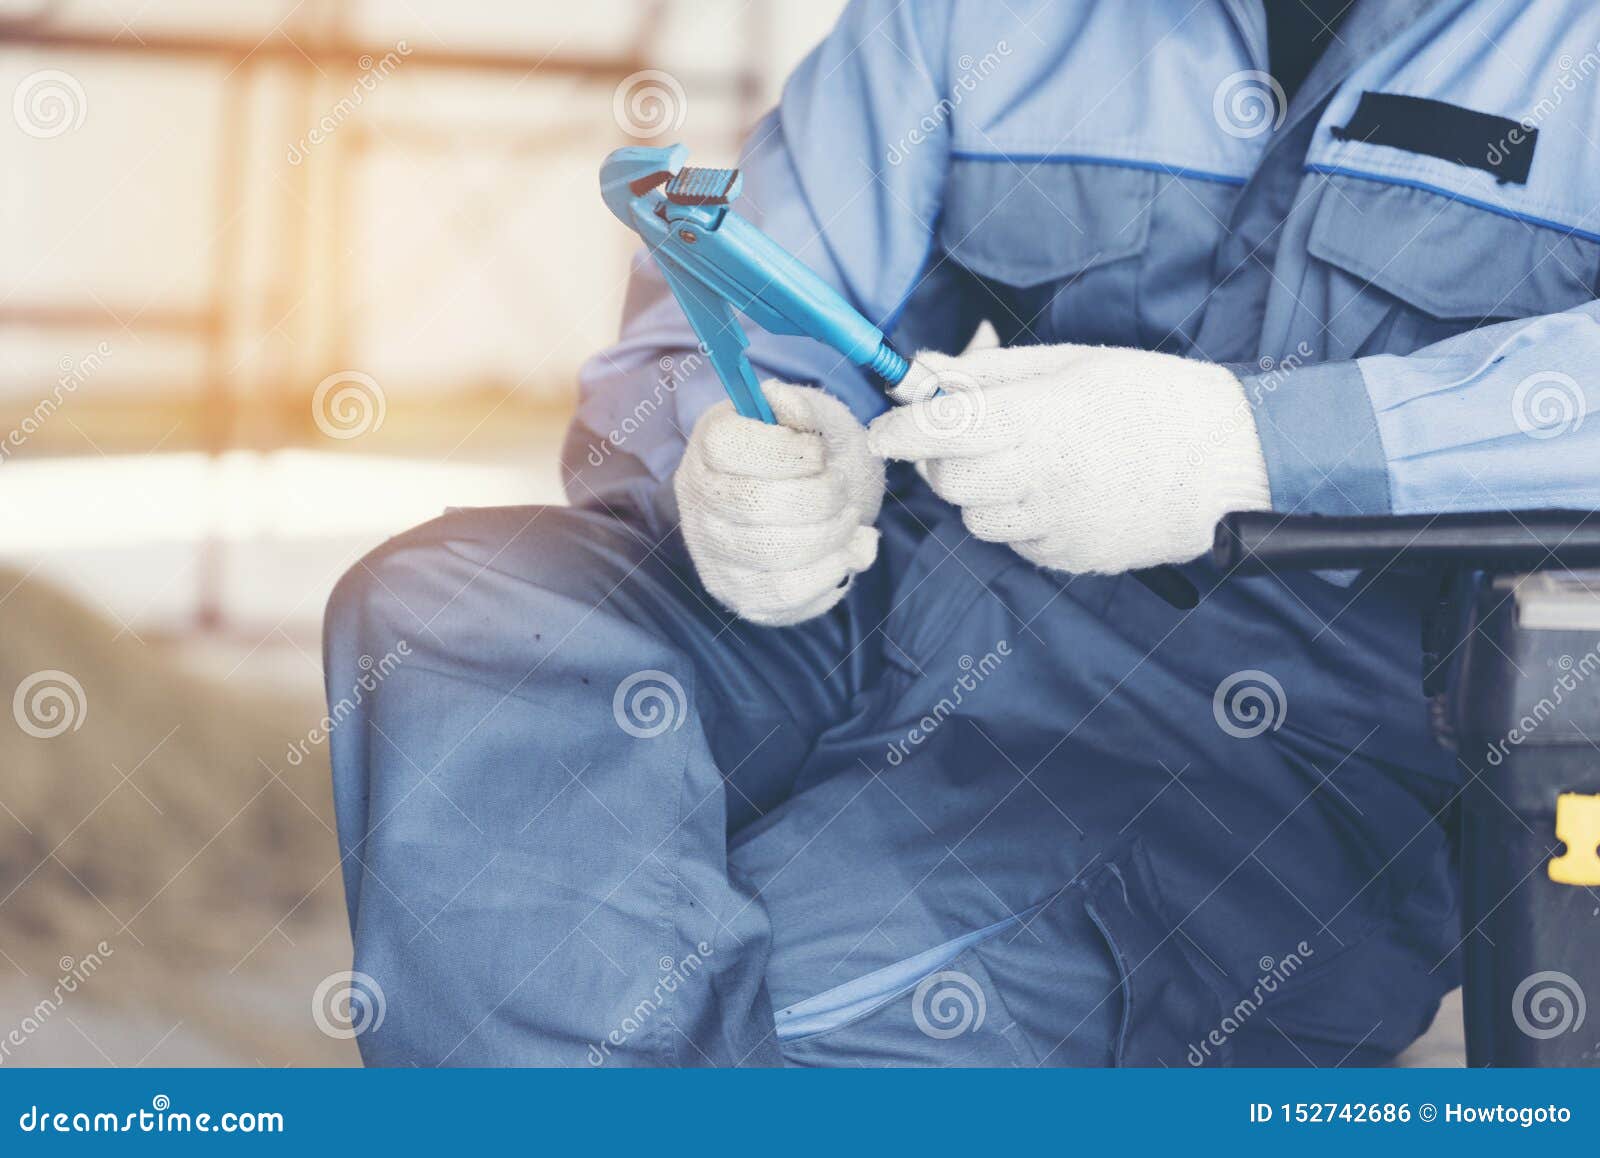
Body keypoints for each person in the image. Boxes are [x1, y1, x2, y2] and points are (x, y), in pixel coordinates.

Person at [325, 0, 1600, 1066]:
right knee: (450, 613)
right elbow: (744, 276)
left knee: (805, 1011)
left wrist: (1253, 447)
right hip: (883, 589)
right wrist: (733, 447)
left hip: (1269, 752)